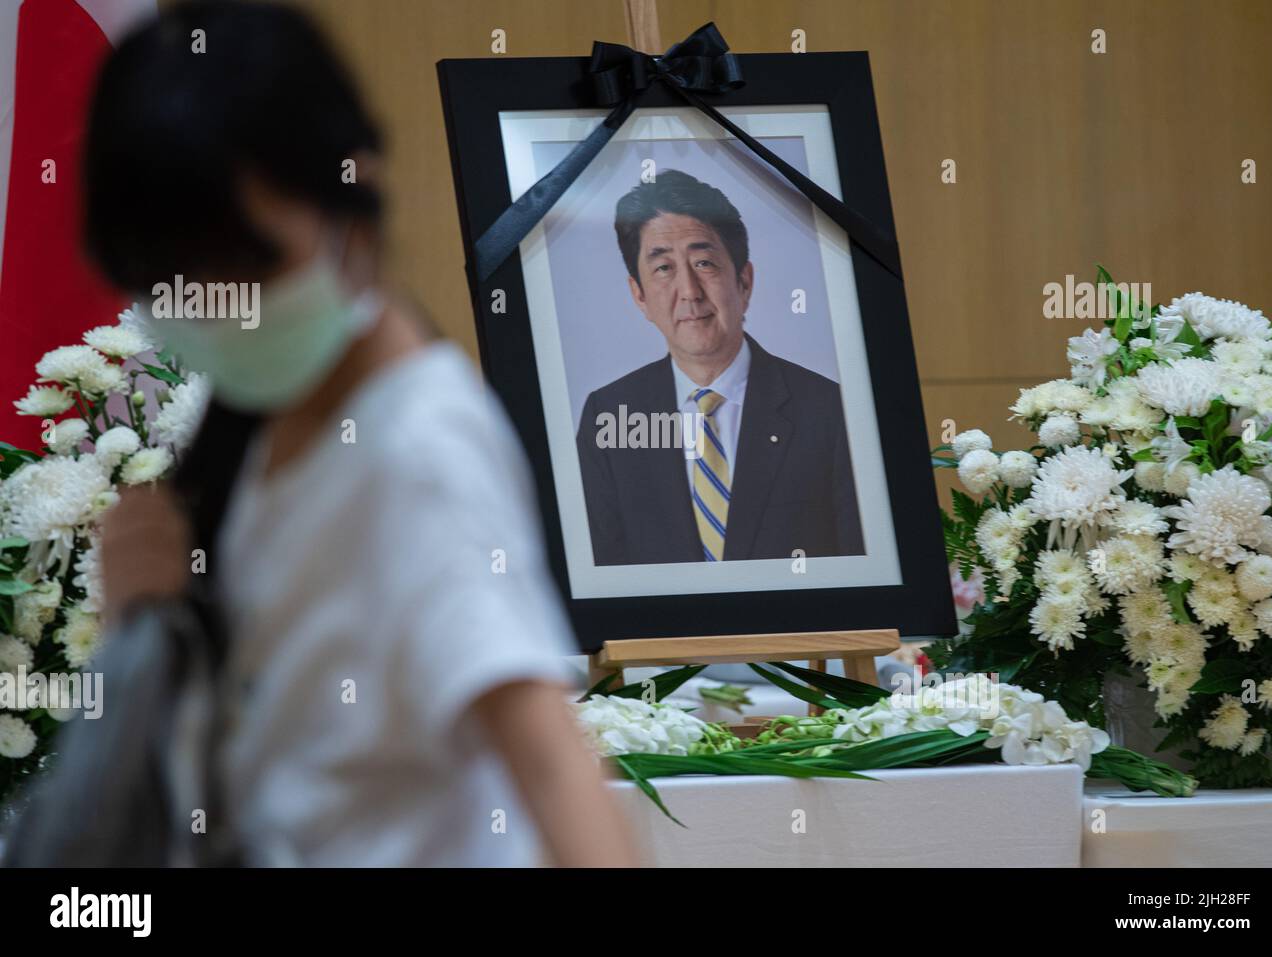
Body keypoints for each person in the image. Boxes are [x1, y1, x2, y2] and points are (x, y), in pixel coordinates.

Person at [83, 1, 637, 867]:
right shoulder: (260, 421)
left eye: (248, 263)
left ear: (354, 194)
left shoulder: (417, 451)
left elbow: (551, 764)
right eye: (171, 277)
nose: (217, 308)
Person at [576, 169, 865, 566]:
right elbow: (598, 573)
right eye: (663, 268)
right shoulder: (610, 416)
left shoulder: (830, 411)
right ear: (639, 296)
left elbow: (860, 568)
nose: (690, 293)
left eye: (704, 263)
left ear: (744, 282)